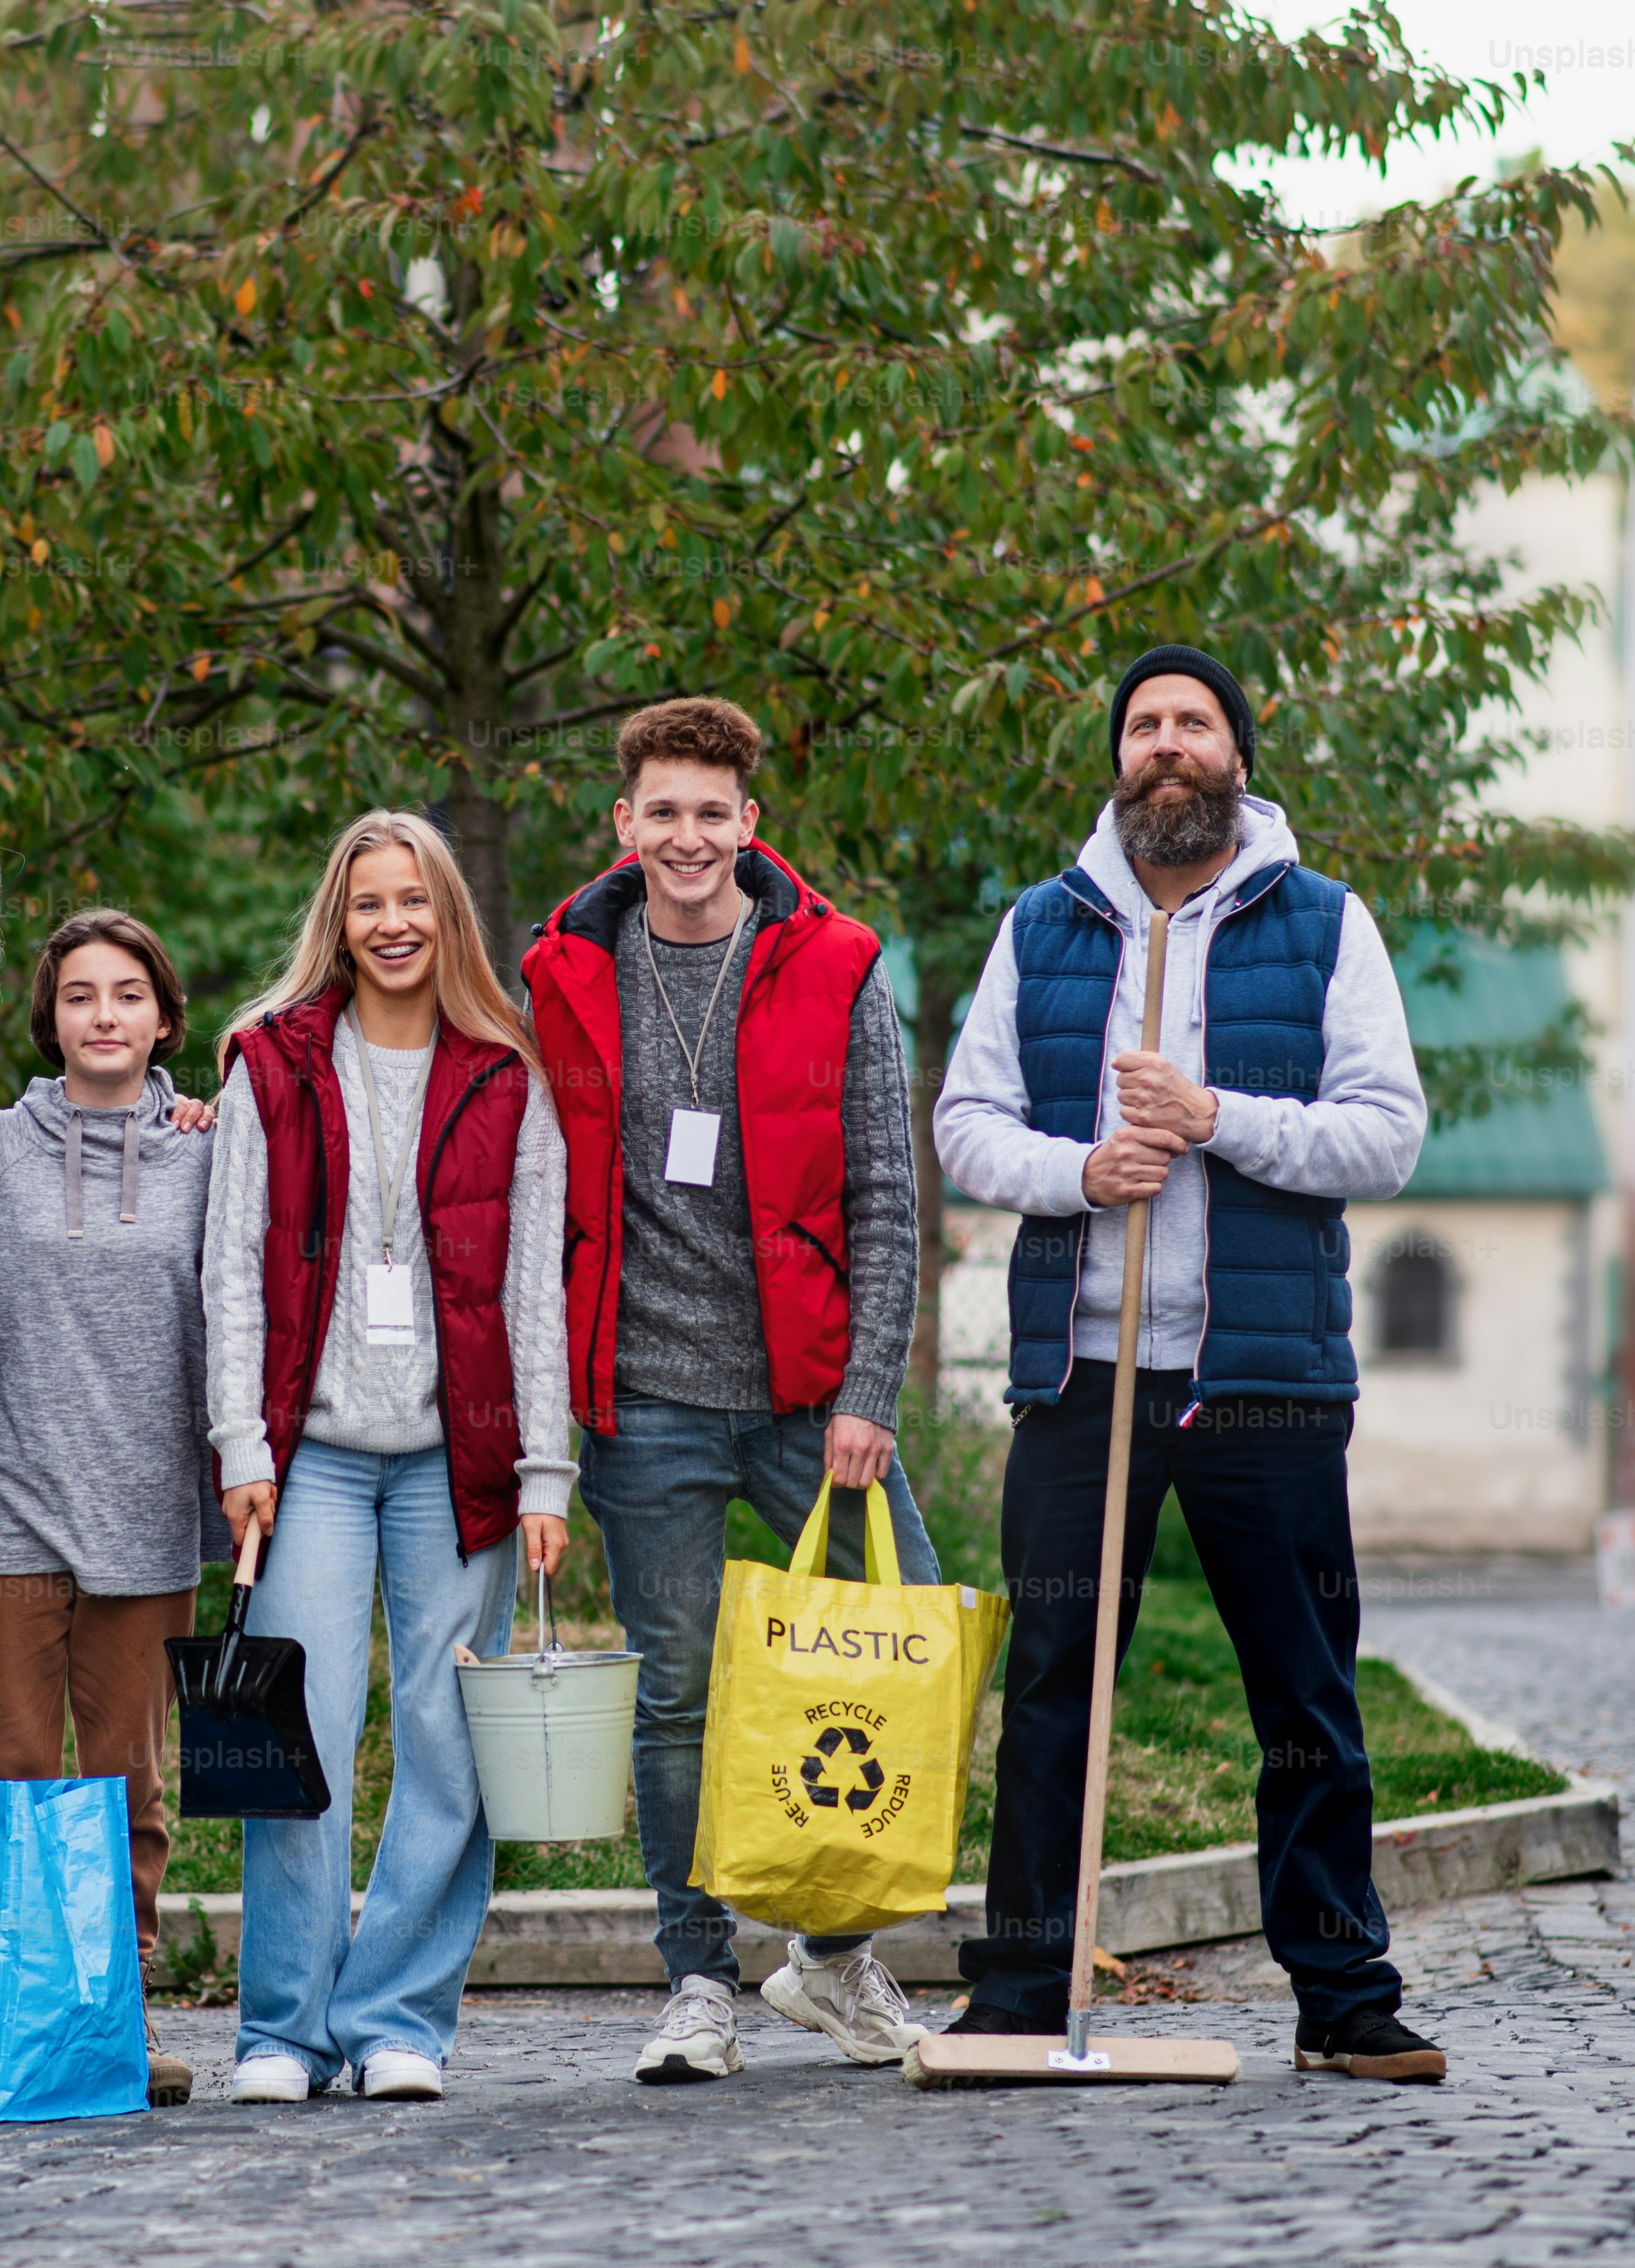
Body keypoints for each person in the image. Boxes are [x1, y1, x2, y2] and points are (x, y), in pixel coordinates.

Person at [933, 644, 1443, 2082]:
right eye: (1143, 723)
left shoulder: (1325, 924)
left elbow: (1386, 1135)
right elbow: (967, 1126)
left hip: (1267, 1375)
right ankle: (1024, 1986)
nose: (1167, 744)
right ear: (1119, 758)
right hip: (1084, 1370)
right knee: (1050, 1680)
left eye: (1193, 723)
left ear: (1238, 753)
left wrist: (1216, 1113)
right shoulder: (1047, 925)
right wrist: (1089, 1167)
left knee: (1301, 1691)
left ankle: (1343, 1989)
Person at [520, 694, 940, 2084]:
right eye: (664, 811)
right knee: (679, 1695)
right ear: (623, 821)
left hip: (809, 1395)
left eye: (714, 812)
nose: (688, 835)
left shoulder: (836, 966)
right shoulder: (569, 970)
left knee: (901, 1637)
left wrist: (867, 1389)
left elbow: (886, 1194)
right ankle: (697, 1974)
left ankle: (828, 1958)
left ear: (750, 827)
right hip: (645, 1402)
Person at [204, 811, 574, 2105]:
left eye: (414, 898)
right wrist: (241, 1441)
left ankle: (399, 2016)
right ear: (339, 919)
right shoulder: (269, 1060)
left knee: (448, 1740)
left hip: (456, 1460)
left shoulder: (506, 1075)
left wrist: (545, 1472)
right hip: (306, 1457)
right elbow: (233, 1270)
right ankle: (281, 2034)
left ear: (448, 915)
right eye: (368, 902)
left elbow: (537, 1290)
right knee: (296, 1731)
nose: (393, 922)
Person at [0, 909, 224, 2112]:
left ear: (164, 1017)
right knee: (11, 1769)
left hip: (149, 1507)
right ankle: (8, 2017)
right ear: (50, 1014)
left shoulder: (207, 1148)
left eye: (127, 994)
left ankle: (113, 2021)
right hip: (13, 1501)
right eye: (79, 995)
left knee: (128, 1790)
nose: (103, 1014)